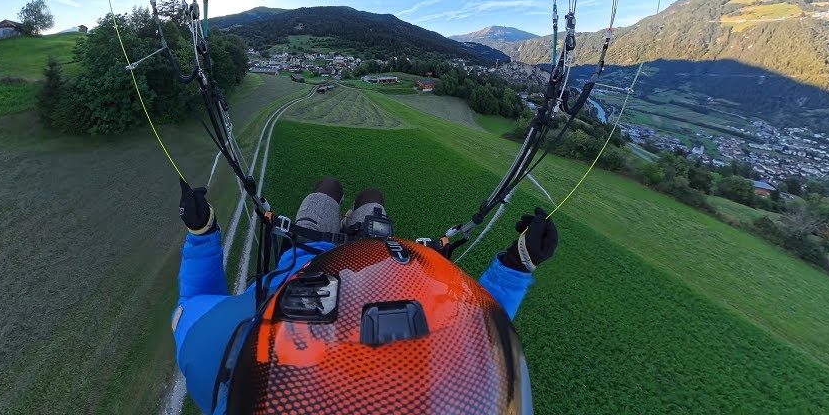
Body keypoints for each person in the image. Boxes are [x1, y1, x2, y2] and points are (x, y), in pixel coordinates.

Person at [171, 177, 559, 414]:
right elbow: (475, 343)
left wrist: (202, 232)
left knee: (328, 189)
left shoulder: (210, 355)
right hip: (372, 261)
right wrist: (516, 265)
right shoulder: (206, 355)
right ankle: (354, 211)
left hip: (311, 255)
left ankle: (340, 204)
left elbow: (196, 299)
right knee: (371, 198)